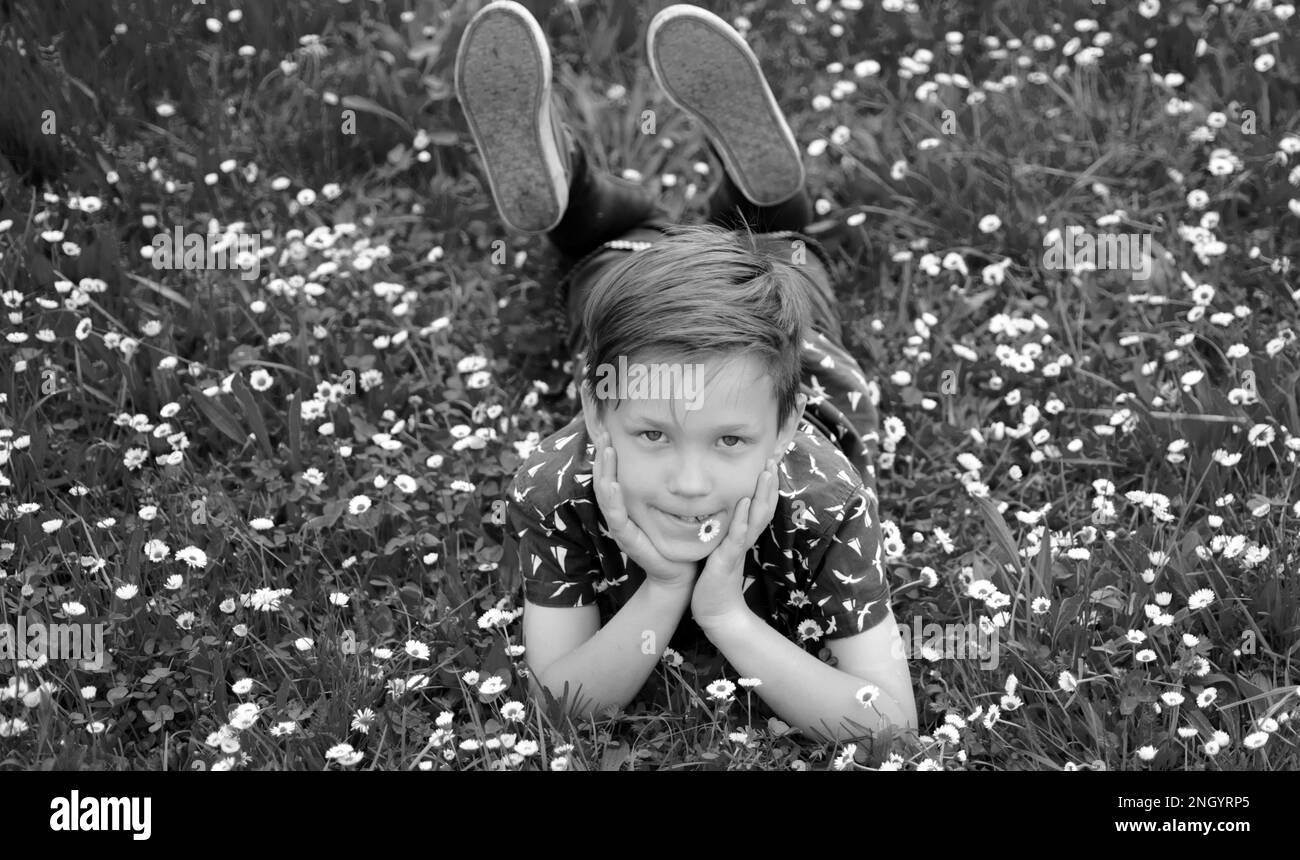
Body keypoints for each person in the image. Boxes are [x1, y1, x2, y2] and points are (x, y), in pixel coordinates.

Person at [456, 1, 917, 747]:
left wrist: (727, 616)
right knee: (767, 247)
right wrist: (667, 590)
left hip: (796, 357)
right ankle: (745, 194)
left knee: (626, 260)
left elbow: (891, 724)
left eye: (730, 442)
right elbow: (561, 703)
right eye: (652, 435)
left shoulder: (825, 498)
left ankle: (585, 191)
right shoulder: (555, 484)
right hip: (701, 340)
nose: (690, 482)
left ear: (784, 431)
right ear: (595, 414)